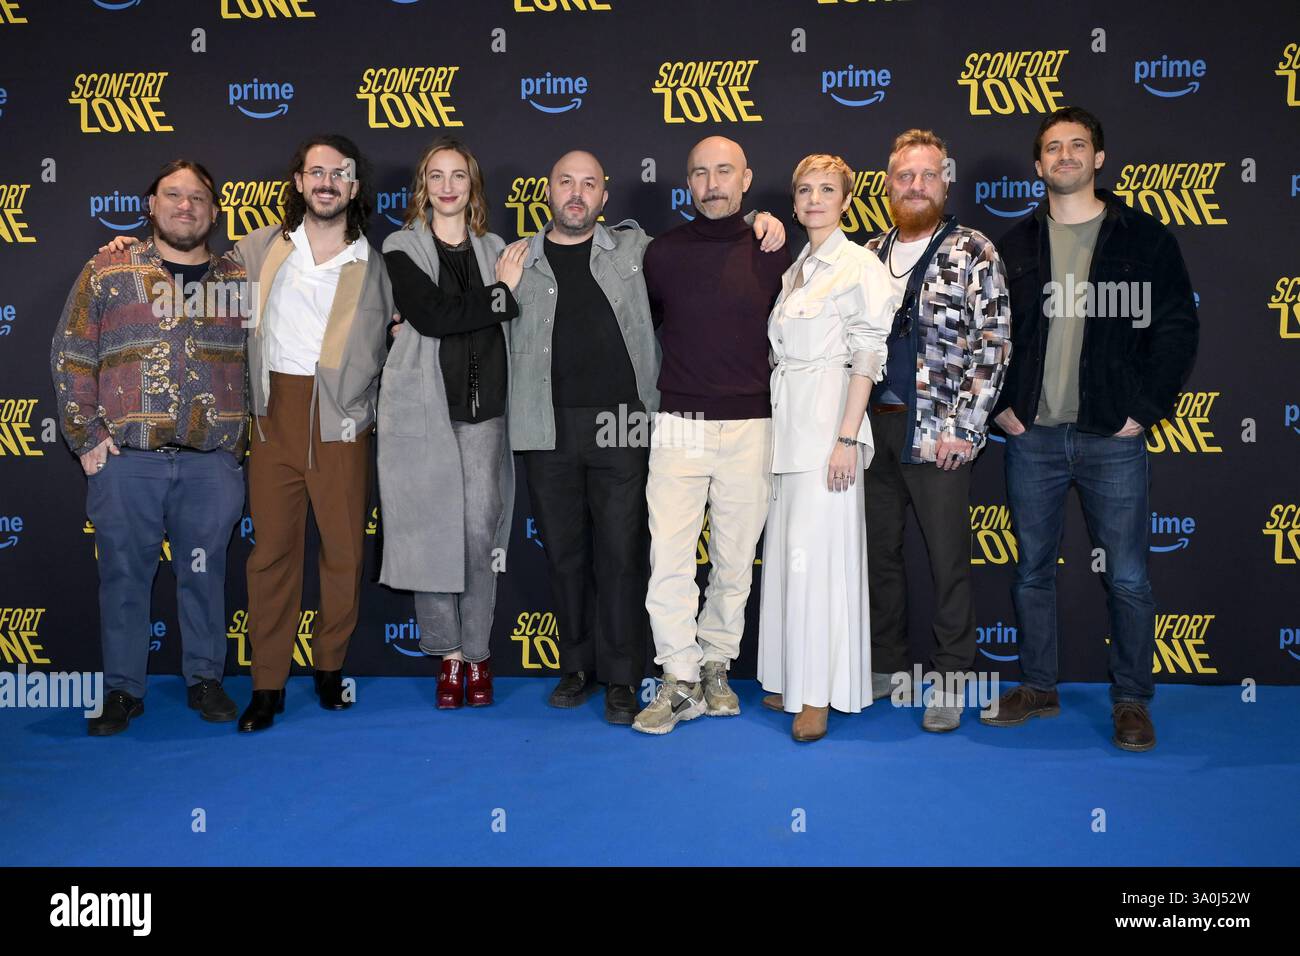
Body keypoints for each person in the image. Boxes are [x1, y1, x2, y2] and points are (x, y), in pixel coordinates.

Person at [983, 107, 1198, 752]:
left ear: (1099, 158)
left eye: (1079, 146)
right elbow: (987, 333)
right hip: (1033, 438)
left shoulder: (1144, 238)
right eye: (1054, 148)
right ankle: (1039, 687)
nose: (1067, 156)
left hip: (1113, 438)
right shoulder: (1014, 244)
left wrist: (1145, 408)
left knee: (1129, 576)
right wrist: (999, 405)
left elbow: (1177, 329)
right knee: (1031, 572)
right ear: (1038, 164)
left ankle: (1132, 699)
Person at [52, 159, 248, 736]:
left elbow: (259, 359)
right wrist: (84, 435)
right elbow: (71, 350)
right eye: (172, 194)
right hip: (127, 462)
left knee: (205, 574)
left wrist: (241, 443)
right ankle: (122, 691)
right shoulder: (109, 270)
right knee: (123, 578)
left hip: (210, 463)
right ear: (150, 204)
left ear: (214, 211)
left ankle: (206, 679)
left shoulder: (236, 278)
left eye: (197, 197)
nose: (184, 205)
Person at [233, 134, 392, 732]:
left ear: (354, 186)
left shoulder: (377, 266)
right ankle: (267, 684)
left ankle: (329, 668)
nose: (327, 182)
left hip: (342, 422)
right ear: (298, 182)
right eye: (316, 171)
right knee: (271, 554)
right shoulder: (256, 251)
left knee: (344, 552)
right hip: (274, 415)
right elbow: (187, 267)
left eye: (340, 173)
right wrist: (132, 248)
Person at [633, 136, 789, 736]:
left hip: (754, 426)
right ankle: (679, 675)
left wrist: (766, 224)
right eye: (700, 173)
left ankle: (717, 664)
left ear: (746, 178)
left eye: (724, 171)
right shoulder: (662, 252)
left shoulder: (776, 247)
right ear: (688, 182)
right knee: (669, 557)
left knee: (733, 559)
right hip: (680, 425)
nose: (712, 182)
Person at [861, 129, 1012, 732]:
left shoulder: (974, 249)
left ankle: (951, 677)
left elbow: (994, 344)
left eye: (927, 175)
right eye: (904, 177)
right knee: (880, 557)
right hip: (873, 433)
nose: (915, 186)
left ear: (945, 182)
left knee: (948, 561)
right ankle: (886, 668)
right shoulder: (867, 254)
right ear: (889, 185)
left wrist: (966, 428)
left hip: (939, 435)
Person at [502, 150, 658, 725]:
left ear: (604, 196)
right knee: (566, 556)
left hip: (624, 423)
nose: (576, 193)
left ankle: (622, 676)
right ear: (547, 190)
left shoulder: (634, 251)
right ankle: (576, 668)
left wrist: (758, 224)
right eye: (565, 181)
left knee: (620, 554)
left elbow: (702, 248)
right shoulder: (517, 259)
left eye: (588, 184)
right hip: (547, 425)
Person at [378, 137, 526, 709]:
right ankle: (447, 658)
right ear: (423, 187)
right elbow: (435, 316)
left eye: (457, 176)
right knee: (430, 533)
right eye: (435, 176)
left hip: (485, 415)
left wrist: (505, 292)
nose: (446, 186)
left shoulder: (498, 249)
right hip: (424, 414)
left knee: (478, 537)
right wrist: (501, 296)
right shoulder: (400, 246)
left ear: (472, 186)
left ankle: (479, 653)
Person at [756, 154, 892, 742]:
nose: (815, 198)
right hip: (787, 426)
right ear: (794, 200)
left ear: (846, 200)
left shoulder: (859, 265)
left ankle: (820, 693)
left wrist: (845, 437)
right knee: (789, 555)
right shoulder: (794, 270)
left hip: (828, 428)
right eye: (805, 189)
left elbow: (867, 356)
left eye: (827, 189)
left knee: (817, 559)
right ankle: (789, 673)